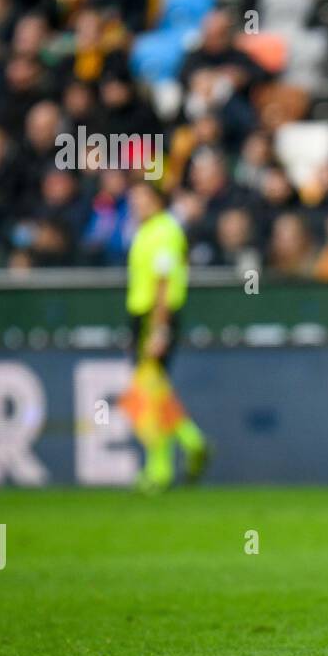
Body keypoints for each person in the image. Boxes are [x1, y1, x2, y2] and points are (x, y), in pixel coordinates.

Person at [123, 177, 209, 494]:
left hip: (155, 318)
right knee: (154, 394)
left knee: (144, 397)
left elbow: (162, 282)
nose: (135, 205)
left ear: (157, 200)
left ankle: (159, 469)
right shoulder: (148, 230)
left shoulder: (164, 231)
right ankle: (191, 441)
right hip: (144, 317)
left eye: (141, 198)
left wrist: (158, 328)